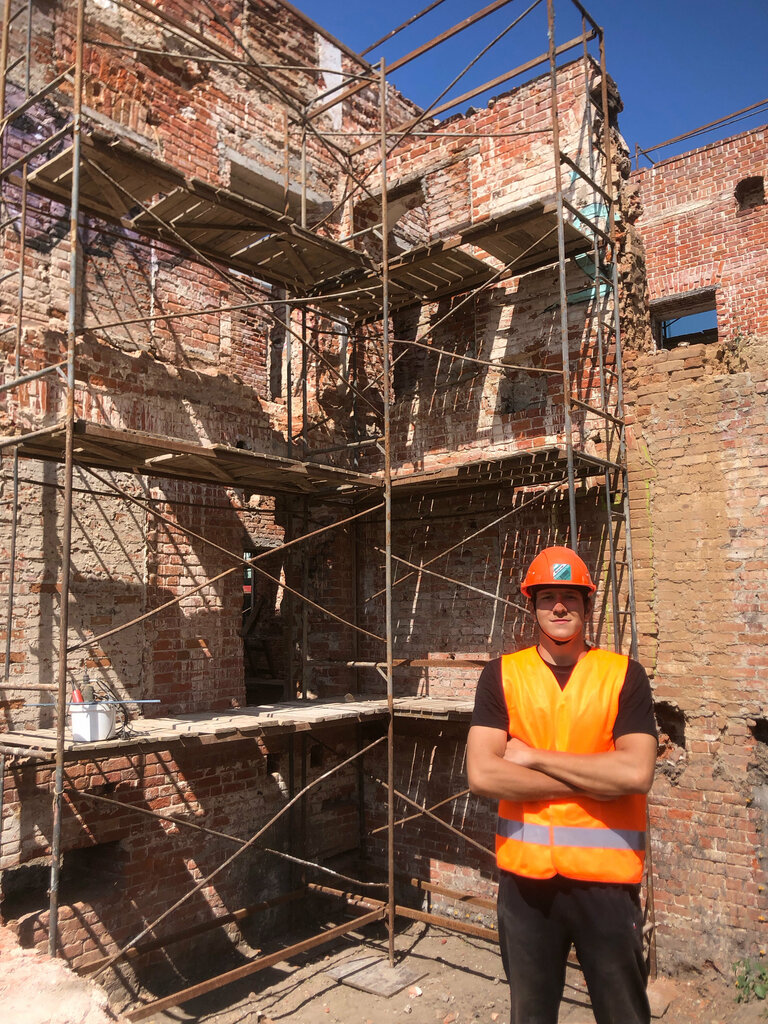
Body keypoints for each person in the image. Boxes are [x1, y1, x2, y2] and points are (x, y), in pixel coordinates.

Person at [467, 546, 657, 1024]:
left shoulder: (623, 676)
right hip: (526, 889)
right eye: (547, 596)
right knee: (529, 1016)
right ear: (531, 606)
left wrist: (534, 759)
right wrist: (596, 780)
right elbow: (483, 773)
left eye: (570, 597)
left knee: (624, 1016)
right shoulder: (502, 676)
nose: (558, 607)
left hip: (607, 886)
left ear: (587, 606)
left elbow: (636, 774)